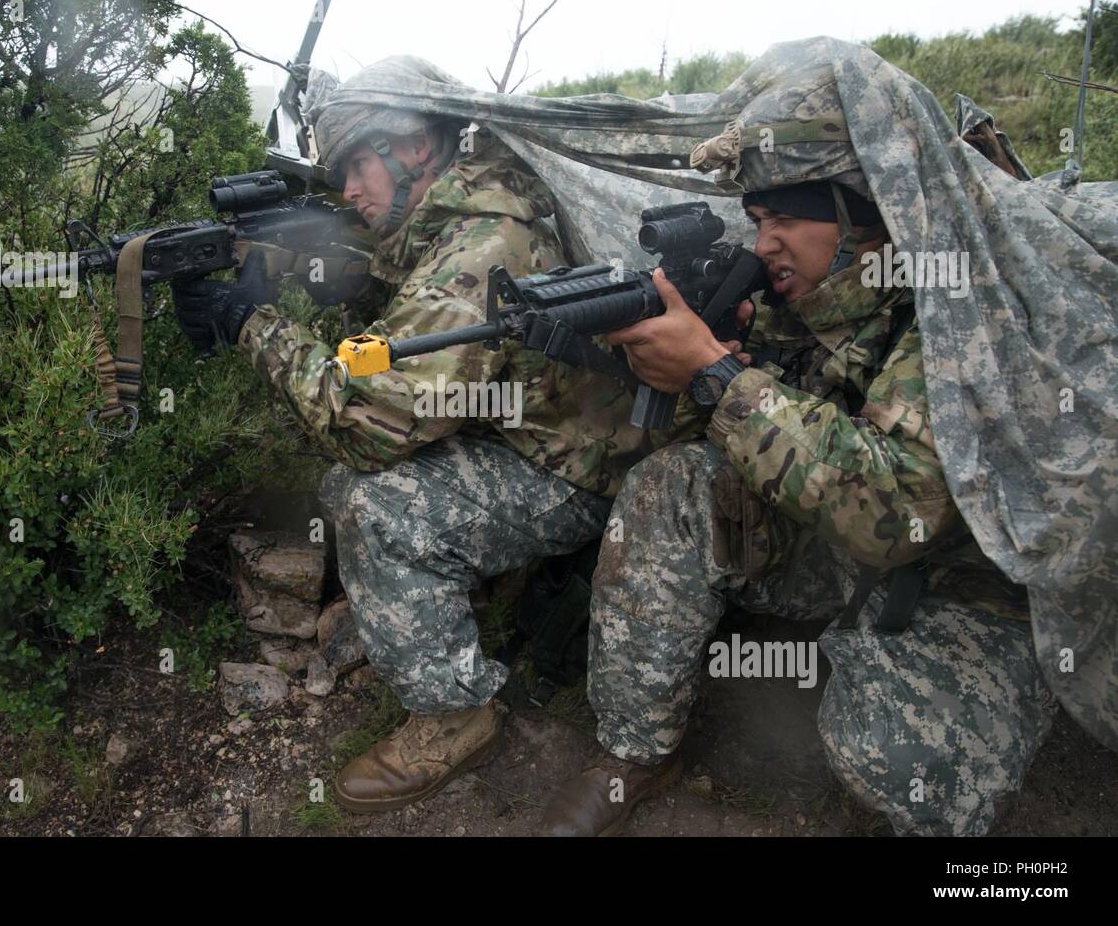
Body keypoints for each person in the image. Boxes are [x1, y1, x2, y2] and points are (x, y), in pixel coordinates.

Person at [171, 56, 647, 814]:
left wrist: (249, 324)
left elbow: (368, 424)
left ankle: (457, 713)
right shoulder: (463, 207)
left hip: (571, 467)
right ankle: (426, 613)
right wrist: (284, 261)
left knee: (376, 505)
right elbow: (396, 278)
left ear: (417, 148)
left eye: (358, 166)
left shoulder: (485, 245)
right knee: (348, 489)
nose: (350, 191)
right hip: (519, 429)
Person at [537, 169, 1058, 837]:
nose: (765, 244)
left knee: (904, 762)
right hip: (836, 546)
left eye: (783, 219)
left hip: (964, 579)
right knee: (673, 484)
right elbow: (771, 437)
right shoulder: (801, 301)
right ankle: (635, 751)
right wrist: (695, 368)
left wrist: (716, 376)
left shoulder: (963, 304)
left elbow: (898, 514)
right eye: (755, 222)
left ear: (864, 218)